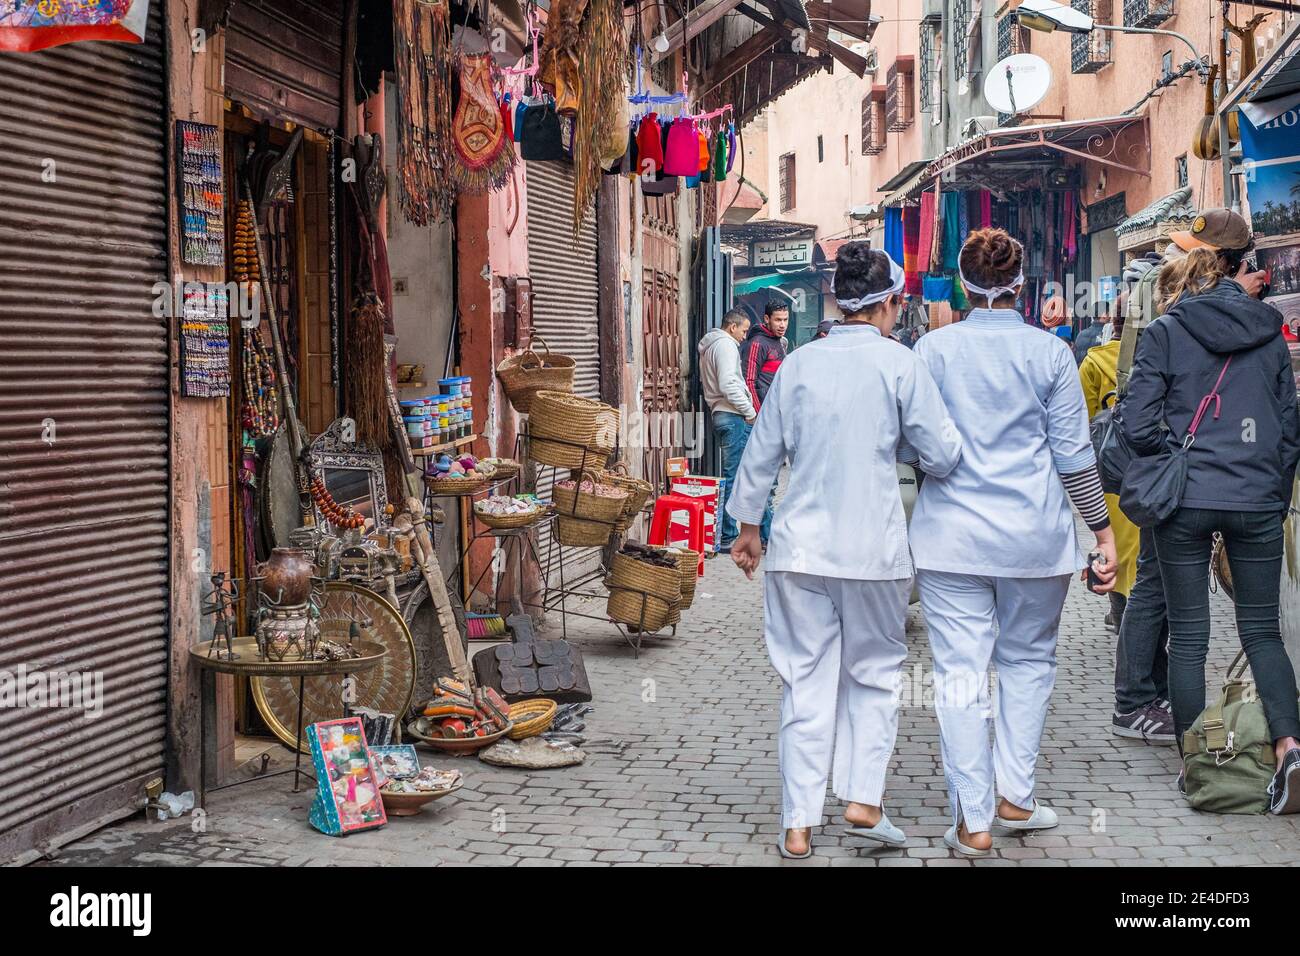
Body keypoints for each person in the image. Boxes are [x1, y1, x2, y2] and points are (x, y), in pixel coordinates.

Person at [727, 244, 962, 860]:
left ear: (835, 300)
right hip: (873, 552)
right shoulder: (901, 365)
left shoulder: (801, 364)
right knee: (875, 677)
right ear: (887, 303)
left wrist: (748, 528)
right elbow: (941, 454)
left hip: (799, 552)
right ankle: (862, 797)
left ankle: (798, 825)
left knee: (805, 682)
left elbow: (761, 452)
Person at [910, 227, 1118, 856]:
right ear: (1021, 285)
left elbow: (914, 445)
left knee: (958, 676)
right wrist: (1103, 534)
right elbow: (1075, 459)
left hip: (951, 541)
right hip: (1034, 538)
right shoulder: (1050, 354)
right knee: (1027, 665)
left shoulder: (931, 350)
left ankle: (972, 819)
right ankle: (1016, 796)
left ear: (964, 287)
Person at [1123, 207, 1300, 812]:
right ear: (1243, 264)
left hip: (1187, 500)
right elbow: (1287, 426)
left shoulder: (1166, 331)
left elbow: (1137, 424)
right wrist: (1272, 492)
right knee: (1261, 632)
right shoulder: (1271, 330)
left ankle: (1200, 761)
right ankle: (1287, 749)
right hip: (1256, 499)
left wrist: (1175, 455)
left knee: (1191, 636)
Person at [1078, 295, 1172, 741]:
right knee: (1151, 584)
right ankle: (1147, 687)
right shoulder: (1168, 353)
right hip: (1160, 482)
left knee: (1132, 579)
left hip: (1115, 484)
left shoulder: (1095, 363)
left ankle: (1142, 673)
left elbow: (1080, 427)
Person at [698, 309, 758, 550]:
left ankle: (725, 533)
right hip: (731, 415)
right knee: (733, 477)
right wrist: (750, 411)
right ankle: (725, 536)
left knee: (730, 475)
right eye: (744, 330)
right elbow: (728, 384)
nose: (745, 336)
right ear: (732, 327)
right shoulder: (725, 346)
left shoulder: (713, 345)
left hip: (721, 414)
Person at [738, 298, 790, 544]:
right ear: (767, 319)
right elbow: (749, 380)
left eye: (785, 319)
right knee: (764, 482)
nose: (782, 325)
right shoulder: (757, 344)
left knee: (772, 481)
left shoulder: (779, 344)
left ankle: (766, 534)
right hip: (761, 422)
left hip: (777, 419)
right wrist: (759, 417)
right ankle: (765, 536)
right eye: (778, 319)